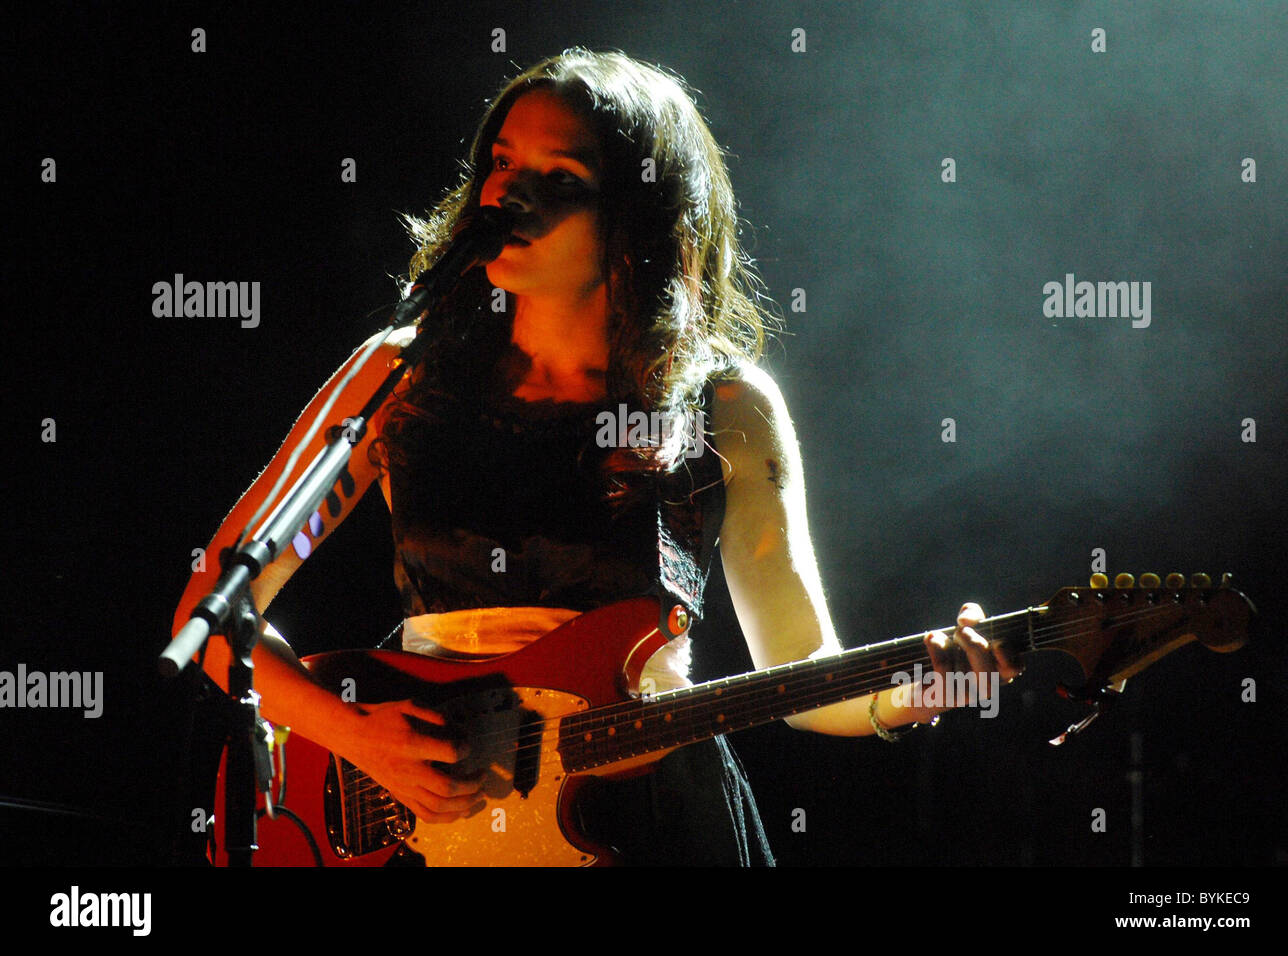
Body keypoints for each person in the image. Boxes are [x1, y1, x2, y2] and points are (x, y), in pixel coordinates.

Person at [171, 48, 1018, 866]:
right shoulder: (401, 373)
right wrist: (355, 734)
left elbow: (799, 668)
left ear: (638, 224)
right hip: (432, 834)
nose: (509, 197)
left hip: (644, 820)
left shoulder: (725, 406)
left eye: (561, 181)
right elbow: (212, 607)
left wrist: (924, 687)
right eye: (502, 166)